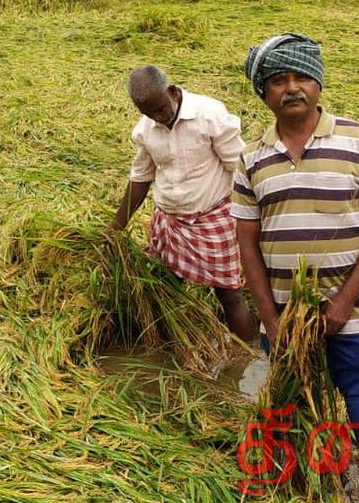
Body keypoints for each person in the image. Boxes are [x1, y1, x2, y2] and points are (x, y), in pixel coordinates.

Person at [230, 33, 359, 503]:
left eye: (301, 77)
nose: (292, 88)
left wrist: (343, 302)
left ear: (319, 85)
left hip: (354, 310)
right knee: (292, 403)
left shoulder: (357, 139)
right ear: (263, 92)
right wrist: (272, 321)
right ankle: (305, 493)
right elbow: (247, 246)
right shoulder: (251, 159)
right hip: (284, 315)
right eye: (279, 80)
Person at [110, 65, 256, 341]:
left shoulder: (209, 116)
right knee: (166, 285)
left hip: (213, 217)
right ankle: (173, 344)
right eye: (148, 113)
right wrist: (116, 226)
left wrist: (254, 219)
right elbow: (141, 176)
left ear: (174, 92)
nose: (157, 117)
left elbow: (240, 168)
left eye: (160, 109)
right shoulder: (146, 130)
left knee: (229, 293)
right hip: (169, 221)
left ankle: (245, 357)